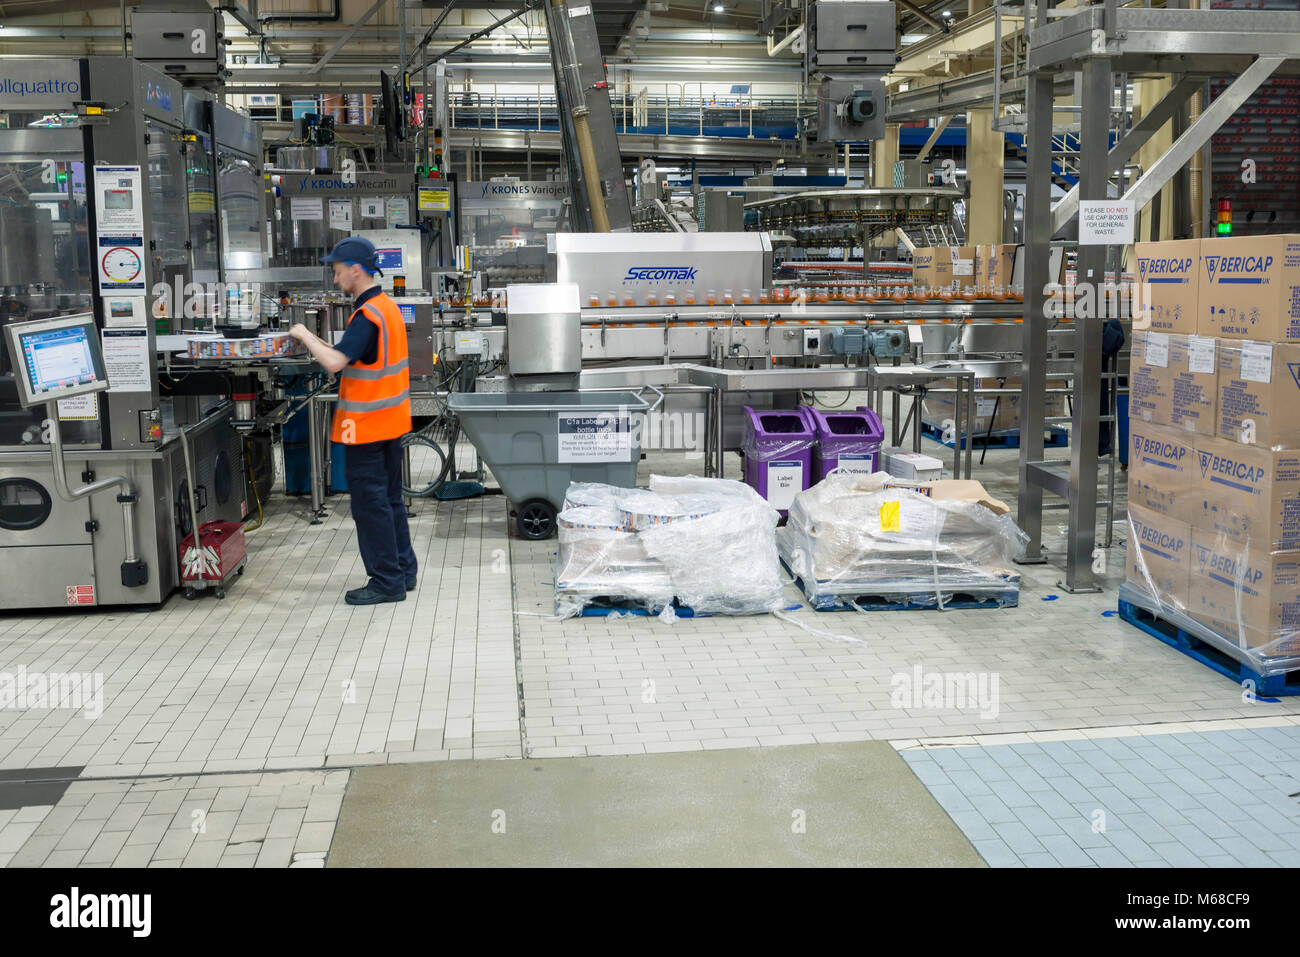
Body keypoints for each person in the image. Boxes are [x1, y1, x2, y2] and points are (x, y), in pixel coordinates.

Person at [289, 237, 417, 605]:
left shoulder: (366, 317)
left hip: (367, 428)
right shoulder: (386, 307)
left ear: (355, 270)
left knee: (370, 505)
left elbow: (334, 363)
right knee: (390, 499)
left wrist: (301, 334)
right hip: (390, 423)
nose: (335, 277)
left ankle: (385, 582)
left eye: (337, 269)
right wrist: (315, 338)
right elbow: (351, 356)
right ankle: (403, 570)